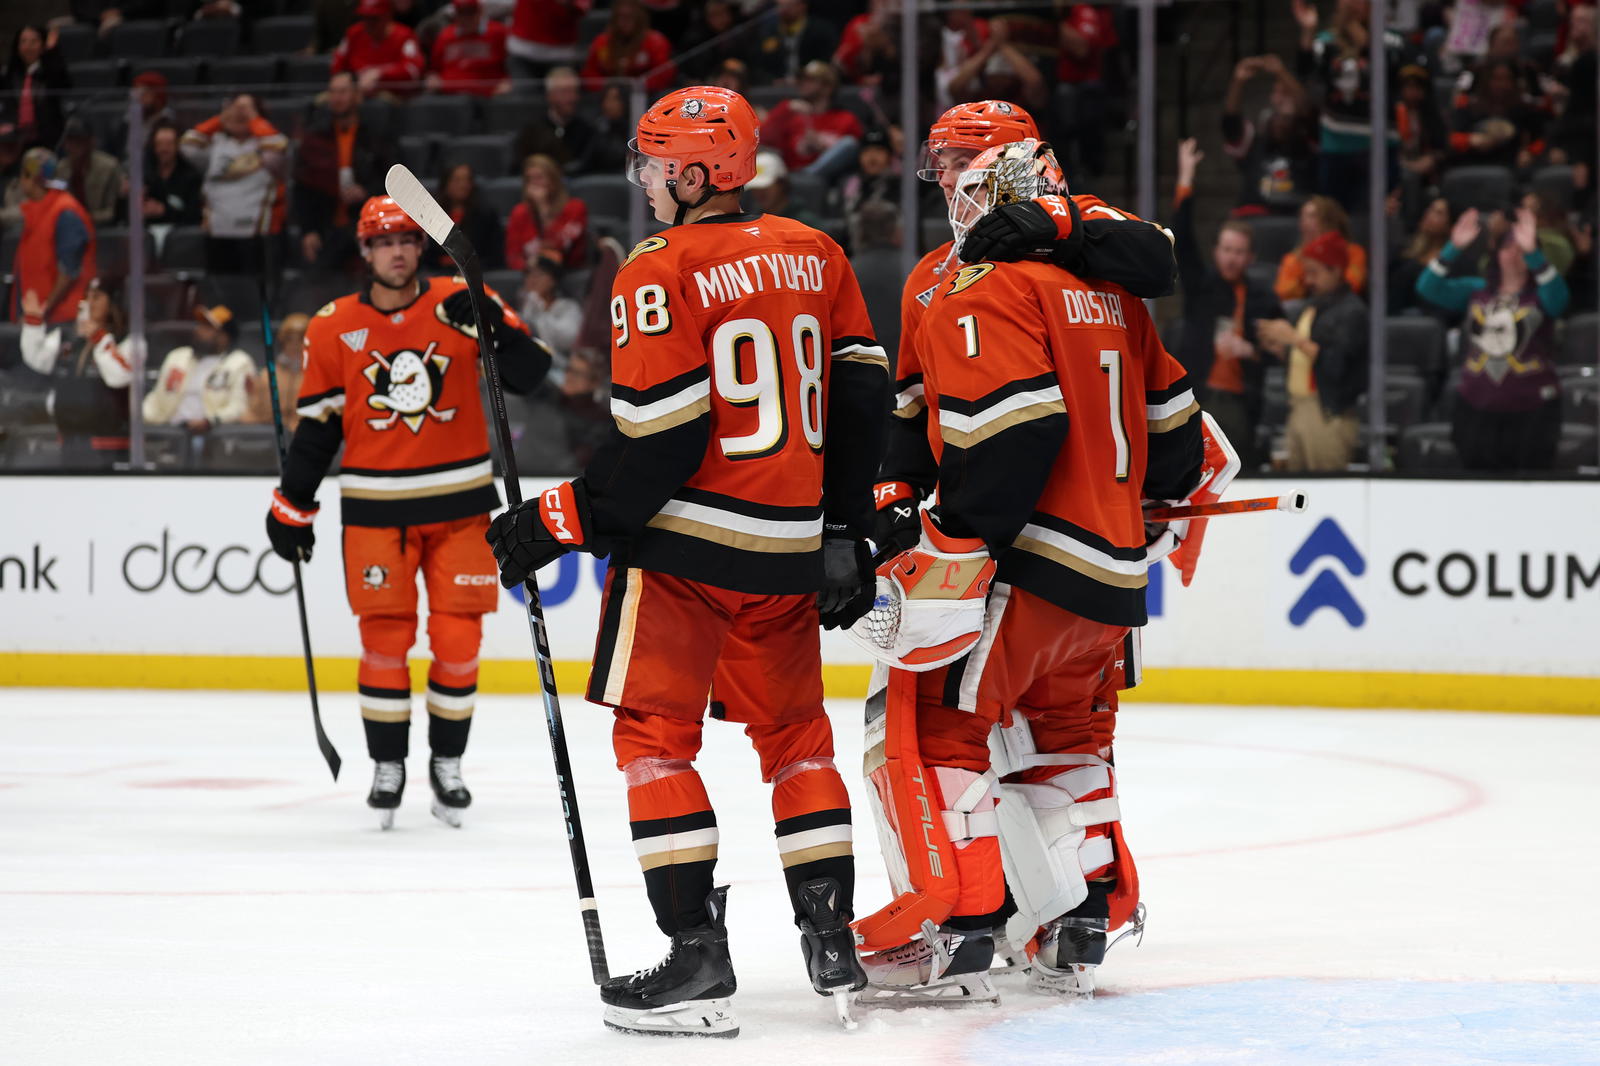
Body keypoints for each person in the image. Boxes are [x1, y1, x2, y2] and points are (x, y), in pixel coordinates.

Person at [485, 85, 889, 1038]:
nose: (647, 181)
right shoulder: (815, 249)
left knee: (654, 743)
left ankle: (698, 958)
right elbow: (866, 401)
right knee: (797, 742)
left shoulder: (657, 268)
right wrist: (843, 532)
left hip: (687, 555)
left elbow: (661, 443)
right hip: (789, 553)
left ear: (698, 171)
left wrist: (559, 515)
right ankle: (831, 941)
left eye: (658, 163)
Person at [852, 138, 1204, 1006]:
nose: (949, 196)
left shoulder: (989, 285)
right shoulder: (1113, 294)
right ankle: (1077, 924)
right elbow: (1180, 451)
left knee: (933, 727)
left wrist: (955, 540)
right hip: (1113, 573)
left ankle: (961, 928)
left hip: (1027, 560)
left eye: (959, 180)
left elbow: (1016, 435)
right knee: (1068, 743)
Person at [264, 196, 551, 829]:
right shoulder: (331, 325)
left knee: (457, 643)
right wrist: (292, 504)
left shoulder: (460, 297)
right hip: (375, 513)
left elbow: (535, 374)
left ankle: (447, 766)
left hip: (462, 511)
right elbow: (317, 431)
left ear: (421, 247)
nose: (396, 250)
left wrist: (488, 326)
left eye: (406, 239)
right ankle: (386, 765)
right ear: (364, 252)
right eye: (383, 240)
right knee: (384, 645)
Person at [1416, 206, 1569, 470]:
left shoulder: (1540, 294)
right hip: (1477, 408)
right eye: (1510, 247)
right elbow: (1427, 287)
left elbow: (1559, 300)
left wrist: (1533, 254)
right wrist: (1453, 247)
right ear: (1496, 253)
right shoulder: (1477, 291)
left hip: (1532, 412)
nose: (1516, 254)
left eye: (1523, 249)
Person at [1173, 138, 1283, 472]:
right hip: (1199, 396)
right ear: (1217, 251)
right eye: (1226, 249)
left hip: (1241, 403)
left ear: (1250, 257)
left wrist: (1249, 350)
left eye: (1239, 252)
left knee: (1238, 472)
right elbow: (1183, 242)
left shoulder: (1264, 299)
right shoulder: (1203, 287)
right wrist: (1186, 178)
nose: (1232, 258)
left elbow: (1279, 350)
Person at [1257, 231, 1369, 472]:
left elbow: (1337, 365)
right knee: (1297, 492)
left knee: (1326, 490)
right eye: (1306, 272)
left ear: (1336, 271)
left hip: (1327, 414)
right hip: (1299, 408)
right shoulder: (1313, 305)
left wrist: (1294, 339)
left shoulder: (1352, 311)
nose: (1308, 280)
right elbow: (1308, 359)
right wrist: (1279, 348)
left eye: (1314, 272)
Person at [18, 279, 131, 468]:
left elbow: (121, 376)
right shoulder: (66, 336)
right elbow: (37, 359)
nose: (89, 303)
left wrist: (100, 339)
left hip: (107, 443)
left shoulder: (126, 339)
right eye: (86, 297)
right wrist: (33, 322)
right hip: (67, 437)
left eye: (96, 297)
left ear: (113, 303)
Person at [181, 94, 288, 277]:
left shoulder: (265, 144)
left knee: (257, 292)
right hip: (218, 233)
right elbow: (187, 143)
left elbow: (279, 145)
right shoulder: (215, 144)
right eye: (233, 109)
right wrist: (220, 120)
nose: (239, 114)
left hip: (256, 233)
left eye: (245, 110)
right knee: (221, 294)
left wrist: (253, 119)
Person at [292, 72, 387, 276]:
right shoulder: (315, 136)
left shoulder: (376, 134)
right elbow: (303, 186)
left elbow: (393, 178)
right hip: (327, 228)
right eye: (332, 92)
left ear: (356, 95)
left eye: (343, 91)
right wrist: (308, 230)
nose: (337, 98)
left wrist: (366, 191)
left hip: (370, 225)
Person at [1222, 54, 1317, 215]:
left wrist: (1281, 72)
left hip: (1296, 215)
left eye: (1285, 93)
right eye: (1276, 93)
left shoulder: (1306, 138)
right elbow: (1231, 123)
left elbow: (1306, 108)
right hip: (1253, 214)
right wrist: (1238, 81)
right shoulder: (1256, 141)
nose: (1280, 100)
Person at [11, 148, 96, 327]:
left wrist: (42, 310)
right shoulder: (39, 210)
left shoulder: (65, 213)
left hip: (64, 321)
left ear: (31, 177)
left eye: (22, 174)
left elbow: (68, 271)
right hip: (42, 318)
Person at [141, 305, 256, 432]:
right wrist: (137, 417)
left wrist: (210, 421)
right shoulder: (178, 357)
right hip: (169, 431)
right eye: (200, 325)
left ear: (224, 337)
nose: (198, 330)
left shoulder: (239, 363)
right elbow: (156, 397)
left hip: (213, 436)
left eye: (207, 328)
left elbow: (240, 407)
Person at [761, 60, 864, 180]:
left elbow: (855, 156)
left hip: (829, 182)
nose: (803, 84)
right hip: (792, 182)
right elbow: (762, 139)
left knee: (848, 143)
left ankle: (807, 175)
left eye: (810, 80)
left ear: (828, 87)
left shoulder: (846, 119)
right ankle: (804, 177)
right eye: (801, 80)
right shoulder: (792, 116)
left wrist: (823, 146)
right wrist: (786, 108)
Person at [1275, 195, 1368, 303]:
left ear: (1330, 221)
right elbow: (1283, 292)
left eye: (1312, 216)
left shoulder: (1353, 252)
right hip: (1306, 307)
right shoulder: (1293, 258)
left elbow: (1353, 284)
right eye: (1303, 217)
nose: (1305, 223)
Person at [504, 153, 587, 270]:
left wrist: (542, 208)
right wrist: (527, 265)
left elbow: (558, 246)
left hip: (567, 271)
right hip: (530, 272)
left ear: (553, 180)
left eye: (539, 178)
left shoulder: (575, 208)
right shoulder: (519, 213)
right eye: (529, 179)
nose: (534, 184)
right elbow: (512, 256)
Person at [330, 0, 426, 97]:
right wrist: (351, 79)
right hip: (356, 93)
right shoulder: (354, 34)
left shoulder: (404, 36)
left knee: (382, 101)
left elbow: (413, 70)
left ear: (387, 16)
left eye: (374, 18)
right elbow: (337, 65)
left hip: (394, 97)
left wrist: (380, 73)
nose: (369, 24)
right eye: (365, 18)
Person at [511, 67, 595, 174]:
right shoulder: (532, 130)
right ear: (549, 95)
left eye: (575, 91)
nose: (572, 98)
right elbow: (518, 167)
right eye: (565, 92)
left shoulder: (587, 130)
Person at [1, 25, 69, 152]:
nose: (28, 47)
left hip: (46, 138)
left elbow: (62, 81)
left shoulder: (50, 72)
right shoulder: (10, 75)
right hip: (15, 139)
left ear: (43, 45)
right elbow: (8, 105)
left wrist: (51, 52)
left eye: (34, 41)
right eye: (23, 41)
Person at [581, 0, 675, 91]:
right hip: (608, 95)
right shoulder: (602, 42)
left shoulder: (655, 42)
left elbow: (663, 74)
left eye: (629, 17)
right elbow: (589, 73)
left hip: (647, 95)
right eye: (621, 17)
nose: (625, 22)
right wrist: (607, 86)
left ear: (639, 18)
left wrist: (635, 85)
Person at [428, 162, 503, 271]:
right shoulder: (432, 215)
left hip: (477, 274)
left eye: (467, 180)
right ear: (446, 184)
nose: (463, 185)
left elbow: (494, 256)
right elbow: (427, 255)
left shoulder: (486, 215)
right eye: (457, 180)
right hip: (439, 273)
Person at [427, 0, 512, 97]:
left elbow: (513, 65)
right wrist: (433, 79)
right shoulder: (445, 35)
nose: (466, 19)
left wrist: (508, 81)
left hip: (489, 96)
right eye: (462, 14)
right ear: (456, 15)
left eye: (470, 13)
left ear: (480, 12)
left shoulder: (498, 32)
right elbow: (434, 69)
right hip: (450, 96)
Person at [243, 312, 309, 432]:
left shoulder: (317, 375)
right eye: (289, 340)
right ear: (282, 342)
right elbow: (252, 413)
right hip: (271, 439)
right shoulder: (267, 375)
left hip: (307, 438)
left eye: (300, 339)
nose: (294, 345)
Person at [1389, 194, 1453, 315]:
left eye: (1438, 213)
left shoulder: (1449, 261)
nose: (1429, 214)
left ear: (1449, 225)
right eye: (1430, 209)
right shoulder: (1404, 248)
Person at [57, 117, 124, 228]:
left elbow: (112, 212)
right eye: (70, 141)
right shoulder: (60, 169)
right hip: (68, 229)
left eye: (78, 141)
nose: (73, 146)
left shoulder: (109, 167)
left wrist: (83, 217)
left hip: (103, 230)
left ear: (91, 141)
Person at [753, 0, 840, 84]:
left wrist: (804, 78)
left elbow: (826, 61)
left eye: (789, 5)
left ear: (802, 6)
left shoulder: (821, 30)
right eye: (780, 5)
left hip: (812, 83)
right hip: (776, 87)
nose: (783, 9)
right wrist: (770, 81)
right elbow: (758, 64)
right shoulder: (768, 31)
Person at [518, 255, 581, 358]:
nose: (532, 280)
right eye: (528, 274)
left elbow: (568, 340)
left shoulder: (568, 307)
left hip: (562, 367)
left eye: (539, 274)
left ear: (553, 280)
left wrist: (539, 305)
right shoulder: (526, 305)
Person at [142, 120, 203, 227]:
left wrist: (164, 211)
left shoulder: (191, 177)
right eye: (159, 144)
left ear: (178, 146)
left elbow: (194, 217)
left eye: (169, 144)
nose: (164, 149)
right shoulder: (143, 175)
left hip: (180, 238)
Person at [508, 0, 590, 78]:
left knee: (562, 90)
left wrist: (567, 3)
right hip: (523, 51)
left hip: (560, 53)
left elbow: (582, 9)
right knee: (524, 90)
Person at [745, 149, 822, 229]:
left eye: (765, 187)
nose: (759, 193)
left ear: (781, 183)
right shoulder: (752, 223)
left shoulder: (807, 224)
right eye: (755, 187)